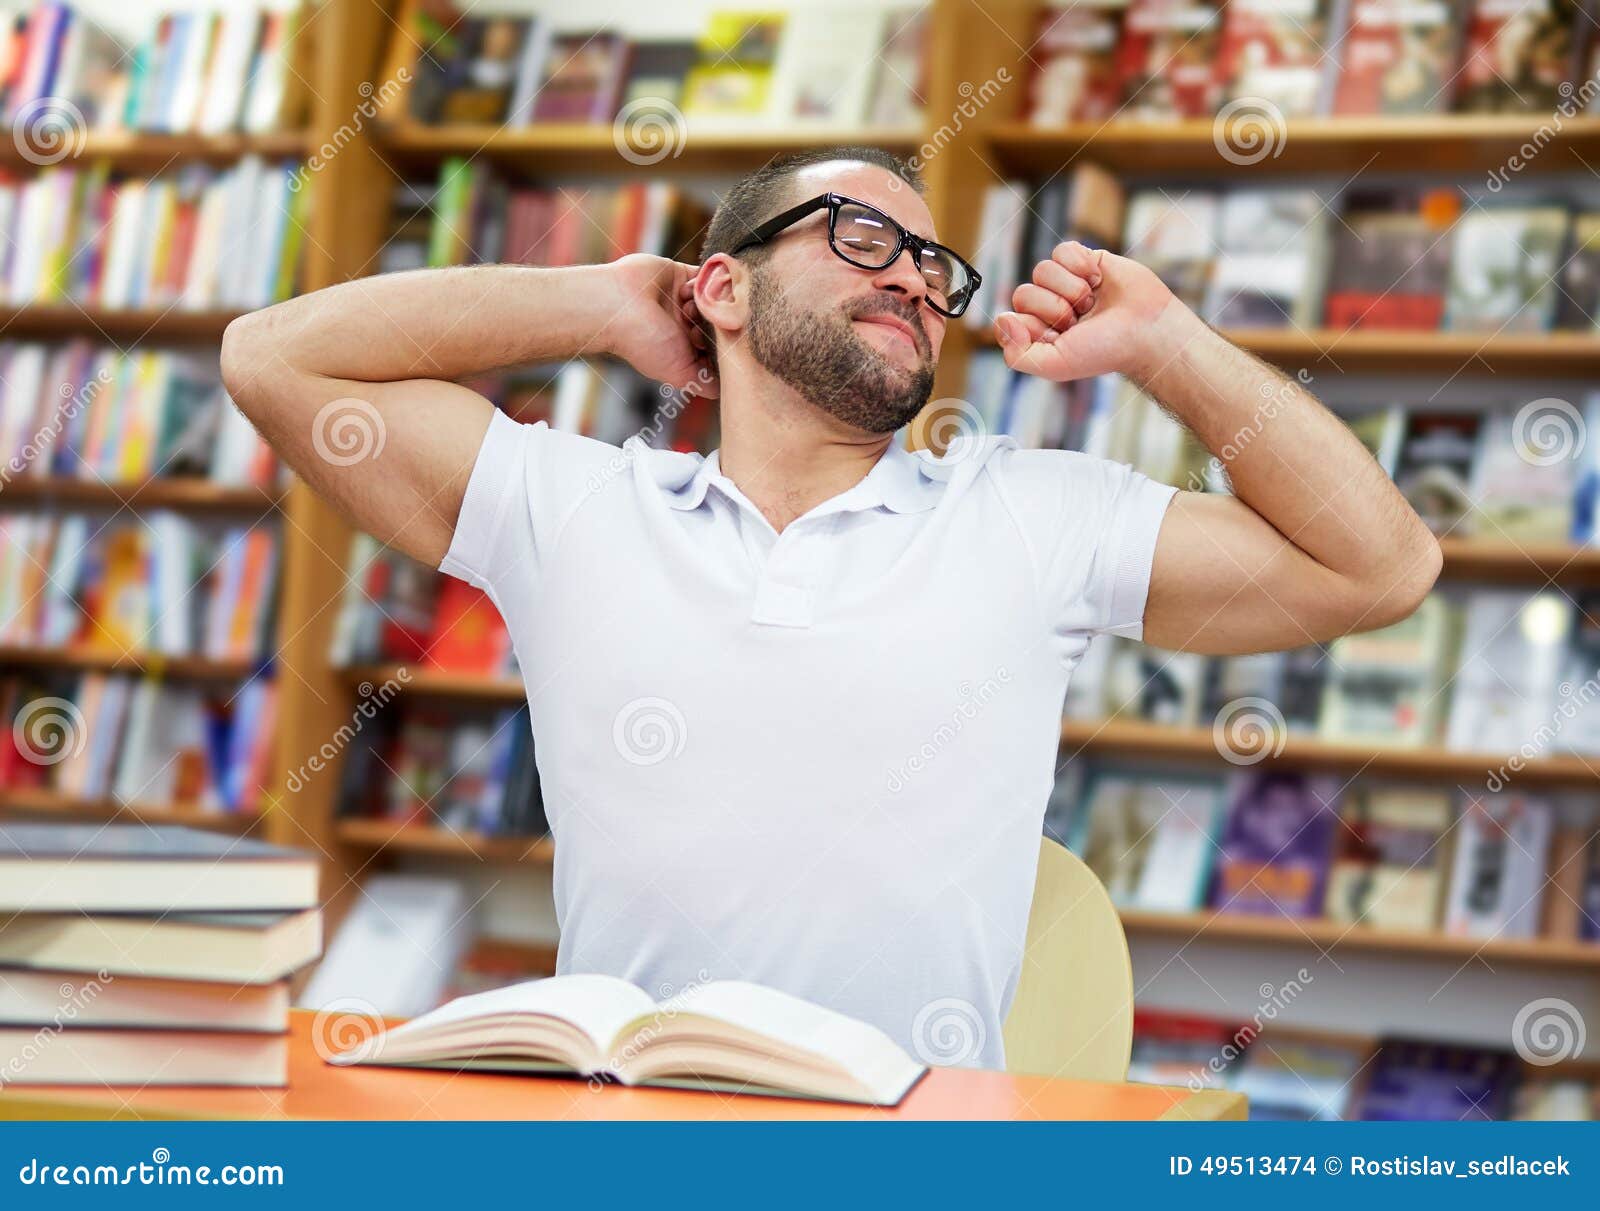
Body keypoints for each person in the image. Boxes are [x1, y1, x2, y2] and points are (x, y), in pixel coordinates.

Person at [221, 146, 1440, 1069]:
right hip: (624, 1133)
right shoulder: (577, 505)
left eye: (934, 266)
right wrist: (599, 301)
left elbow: (1376, 567)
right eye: (863, 236)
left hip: (917, 1150)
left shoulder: (1031, 513)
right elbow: (275, 360)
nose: (914, 276)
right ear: (723, 288)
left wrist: (1167, 345)